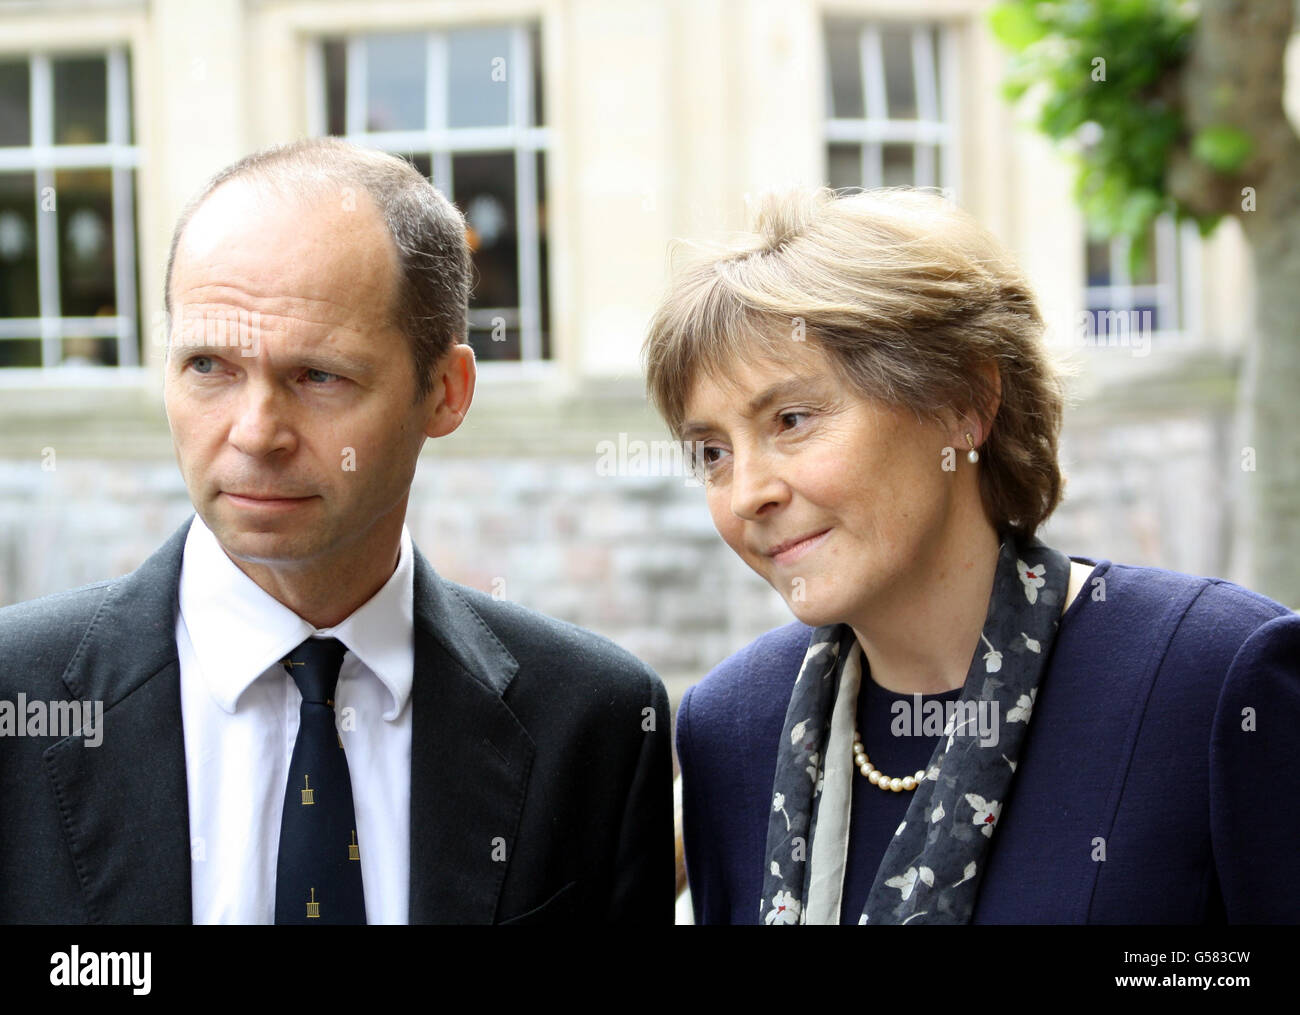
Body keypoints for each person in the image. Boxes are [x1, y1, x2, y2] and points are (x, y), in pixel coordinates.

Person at [0, 137, 673, 925]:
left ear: (446, 393)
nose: (256, 432)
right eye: (209, 367)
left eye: (318, 375)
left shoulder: (595, 724)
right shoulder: (20, 696)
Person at [644, 186, 1300, 925]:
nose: (746, 494)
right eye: (712, 452)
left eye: (792, 419)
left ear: (965, 402)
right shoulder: (730, 728)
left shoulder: (1212, 678)